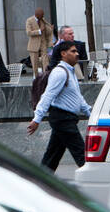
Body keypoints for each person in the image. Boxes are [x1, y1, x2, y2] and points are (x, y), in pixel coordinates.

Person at [27, 40, 91, 170]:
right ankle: (93, 181)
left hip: (65, 119)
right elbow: (47, 96)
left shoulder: (70, 72)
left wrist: (91, 113)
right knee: (81, 154)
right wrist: (37, 119)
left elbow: (78, 98)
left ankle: (41, 181)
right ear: (63, 54)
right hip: (63, 119)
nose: (77, 54)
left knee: (52, 157)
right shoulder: (60, 73)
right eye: (73, 51)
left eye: (77, 51)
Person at [26, 7, 53, 77]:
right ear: (37, 15)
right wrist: (39, 31)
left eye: (43, 15)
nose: (43, 17)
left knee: (45, 59)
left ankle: (46, 75)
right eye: (41, 16)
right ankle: (36, 77)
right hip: (34, 45)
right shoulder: (29, 20)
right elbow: (28, 32)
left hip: (43, 42)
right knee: (35, 63)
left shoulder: (43, 20)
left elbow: (47, 30)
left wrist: (50, 28)